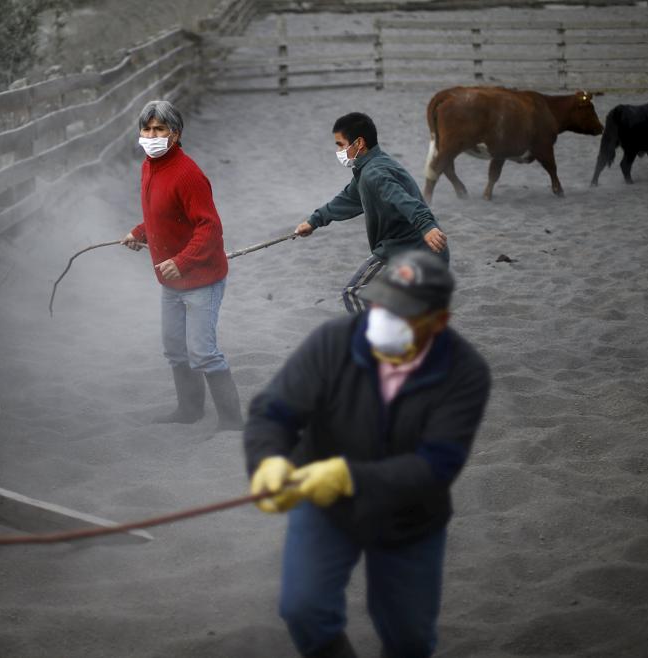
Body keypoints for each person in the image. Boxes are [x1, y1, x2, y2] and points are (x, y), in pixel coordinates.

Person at [243, 250, 491, 658]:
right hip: (324, 505)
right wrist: (268, 460)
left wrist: (348, 478)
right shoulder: (332, 342)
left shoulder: (465, 372)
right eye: (380, 302)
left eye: (403, 311)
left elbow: (436, 465)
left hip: (409, 518)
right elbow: (273, 412)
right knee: (303, 609)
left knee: (409, 637)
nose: (383, 316)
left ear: (438, 321)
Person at [120, 100, 243, 430]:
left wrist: (183, 260)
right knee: (175, 349)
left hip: (202, 278)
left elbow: (209, 227)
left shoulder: (187, 174)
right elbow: (162, 216)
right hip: (171, 281)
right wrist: (139, 232)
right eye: (146, 129)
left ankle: (232, 423)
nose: (151, 135)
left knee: (203, 351)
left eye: (160, 129)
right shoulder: (149, 167)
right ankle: (190, 410)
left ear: (175, 134)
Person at [295, 113, 449, 314]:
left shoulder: (374, 173)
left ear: (359, 143)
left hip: (406, 249)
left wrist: (427, 226)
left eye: (341, 145)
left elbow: (403, 200)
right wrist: (313, 221)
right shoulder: (370, 167)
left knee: (355, 291)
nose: (338, 151)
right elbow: (347, 199)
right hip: (423, 252)